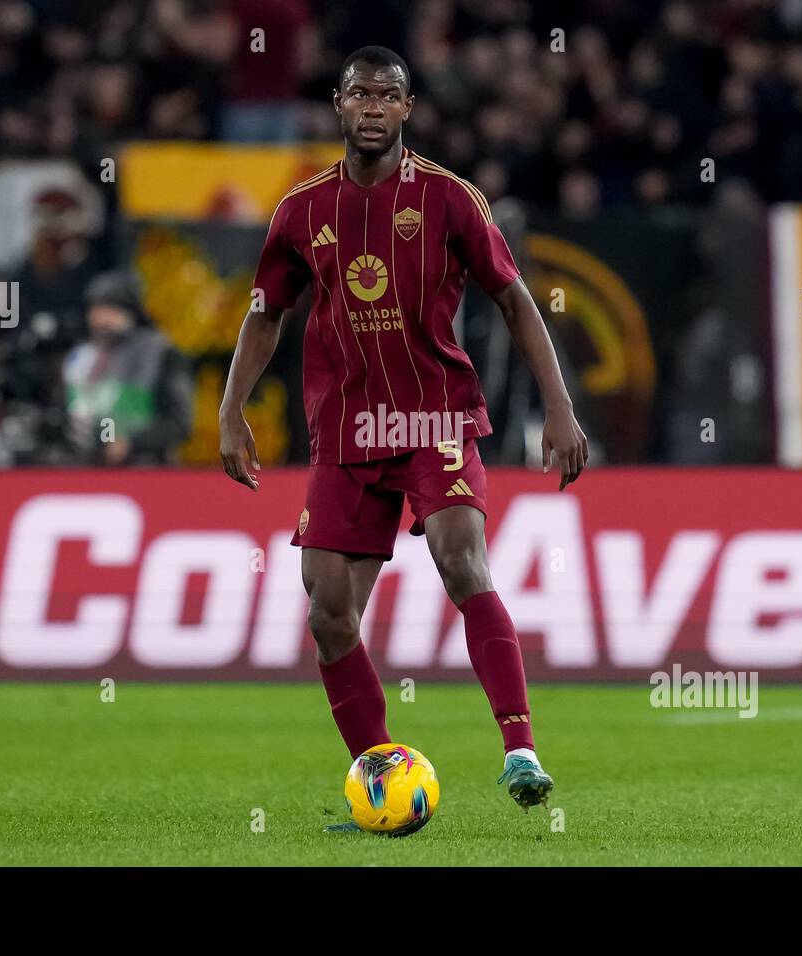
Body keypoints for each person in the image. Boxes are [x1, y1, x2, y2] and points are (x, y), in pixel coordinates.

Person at [218, 46, 588, 828]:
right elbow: (266, 314)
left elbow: (516, 300)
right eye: (361, 95)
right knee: (326, 611)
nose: (375, 108)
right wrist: (231, 409)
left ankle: (519, 748)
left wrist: (558, 408)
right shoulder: (301, 211)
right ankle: (381, 777)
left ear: (409, 109)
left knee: (460, 558)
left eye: (390, 95)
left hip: (433, 417)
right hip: (345, 430)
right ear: (338, 104)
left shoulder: (451, 199)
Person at [61, 271, 192, 465]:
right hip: (86, 470)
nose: (100, 319)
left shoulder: (160, 354)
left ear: (131, 312)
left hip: (145, 470)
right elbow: (67, 414)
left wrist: (130, 443)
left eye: (111, 310)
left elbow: (179, 424)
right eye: (96, 309)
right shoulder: (80, 358)